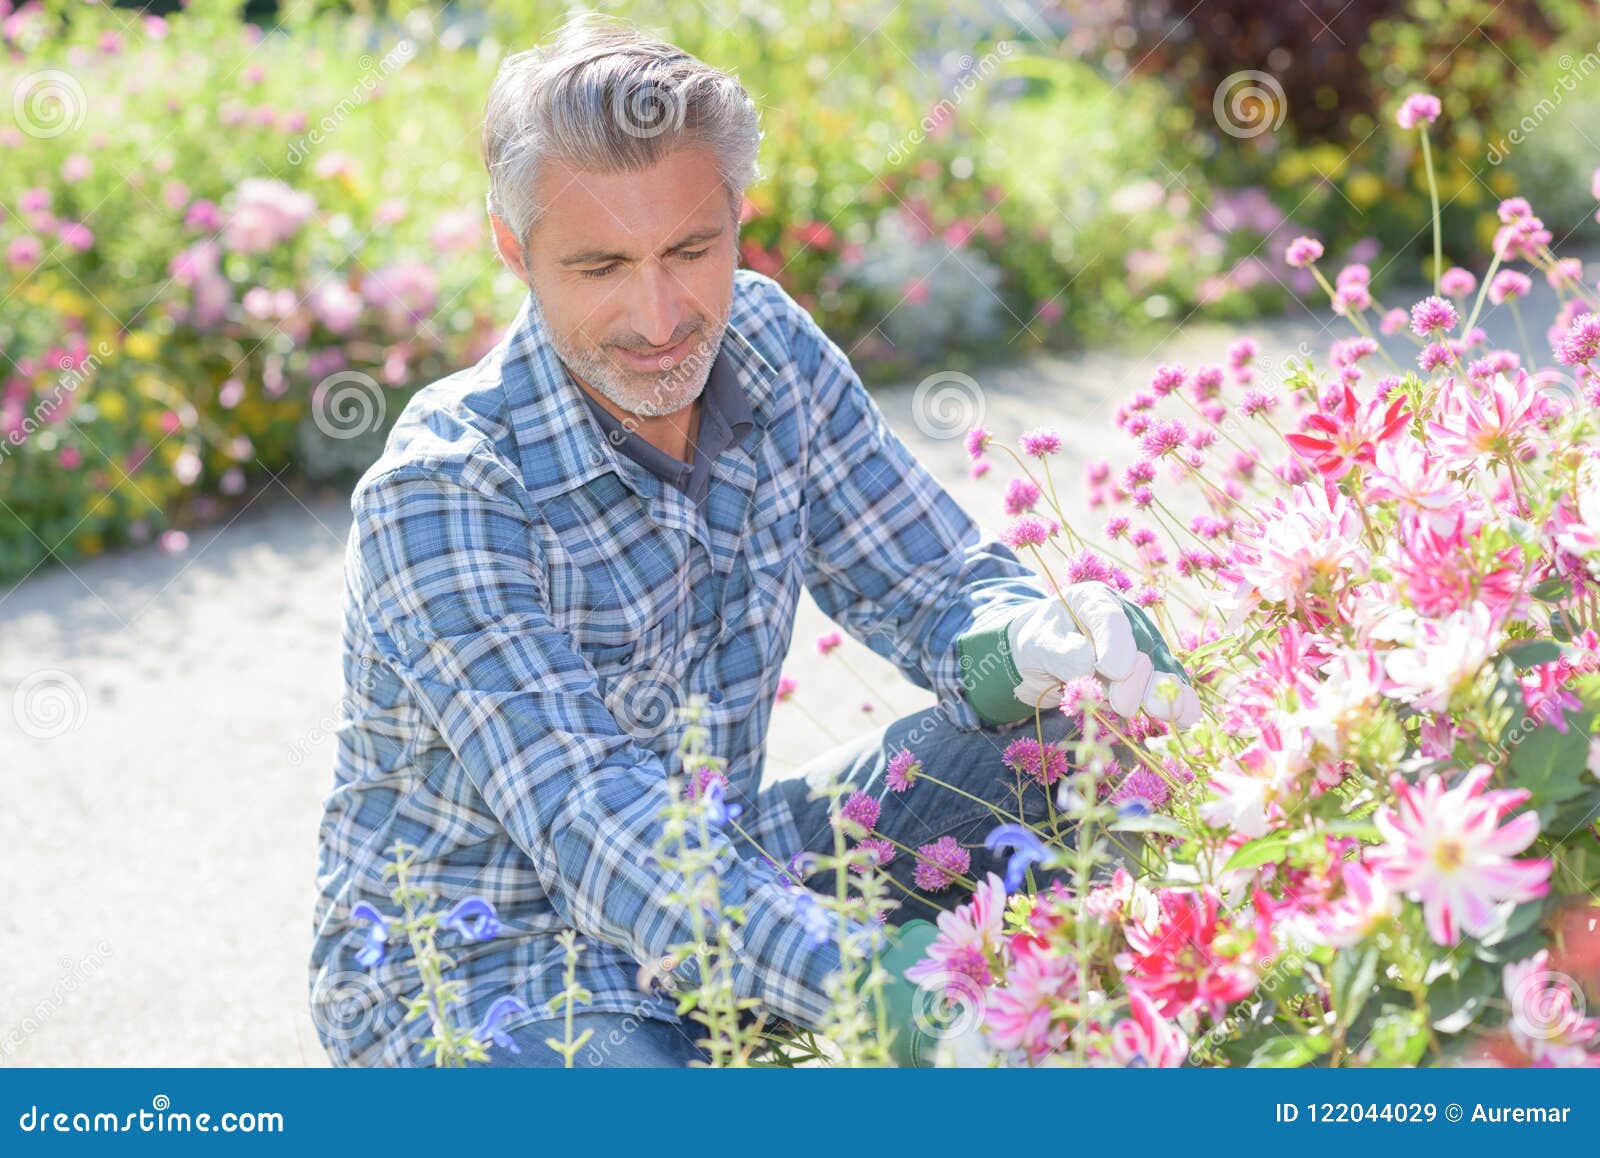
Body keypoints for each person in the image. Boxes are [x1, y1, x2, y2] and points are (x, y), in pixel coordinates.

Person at [308, 12, 1198, 1069]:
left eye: (691, 249)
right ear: (515, 251)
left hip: (734, 870)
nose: (658, 315)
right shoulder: (445, 491)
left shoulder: (767, 345)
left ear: (737, 214)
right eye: (599, 267)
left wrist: (1031, 641)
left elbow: (927, 583)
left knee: (1074, 731)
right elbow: (602, 832)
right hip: (487, 968)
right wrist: (877, 993)